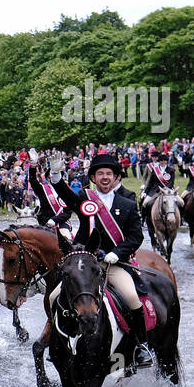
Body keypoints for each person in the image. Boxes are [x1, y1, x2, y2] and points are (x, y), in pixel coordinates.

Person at [47, 152, 153, 368]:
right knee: (53, 297)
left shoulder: (128, 203)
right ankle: (57, 340)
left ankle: (141, 347)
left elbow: (136, 236)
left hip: (113, 264)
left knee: (132, 297)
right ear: (93, 178)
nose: (105, 177)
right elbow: (67, 196)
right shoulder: (85, 199)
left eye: (109, 174)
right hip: (84, 264)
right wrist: (56, 175)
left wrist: (117, 253)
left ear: (115, 178)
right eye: (100, 173)